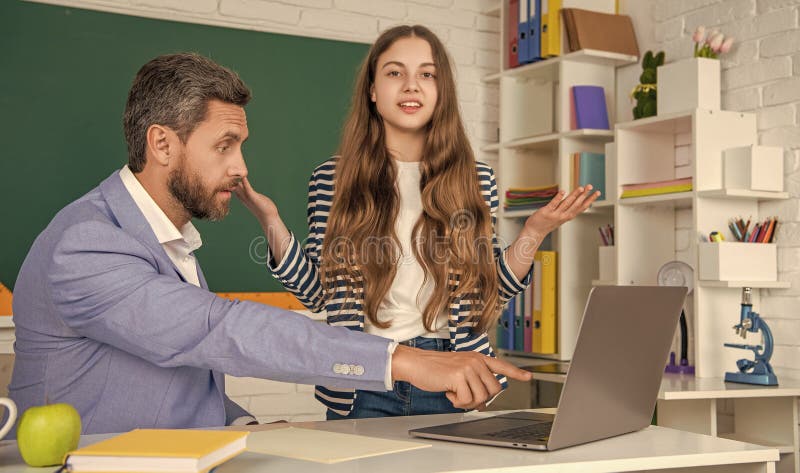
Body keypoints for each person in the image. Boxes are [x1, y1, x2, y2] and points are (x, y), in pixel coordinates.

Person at [7, 52, 533, 436]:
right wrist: (406, 360)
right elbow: (219, 329)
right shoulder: (85, 246)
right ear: (162, 143)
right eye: (224, 146)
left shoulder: (166, 241)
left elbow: (177, 386)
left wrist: (252, 424)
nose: (241, 168)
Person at [235, 25, 598, 420]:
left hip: (450, 373)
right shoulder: (332, 179)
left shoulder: (476, 180)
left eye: (427, 74)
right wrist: (269, 220)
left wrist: (534, 233)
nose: (412, 86)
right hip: (365, 376)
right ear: (372, 90)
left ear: (441, 91)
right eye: (395, 73)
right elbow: (319, 295)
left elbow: (490, 290)